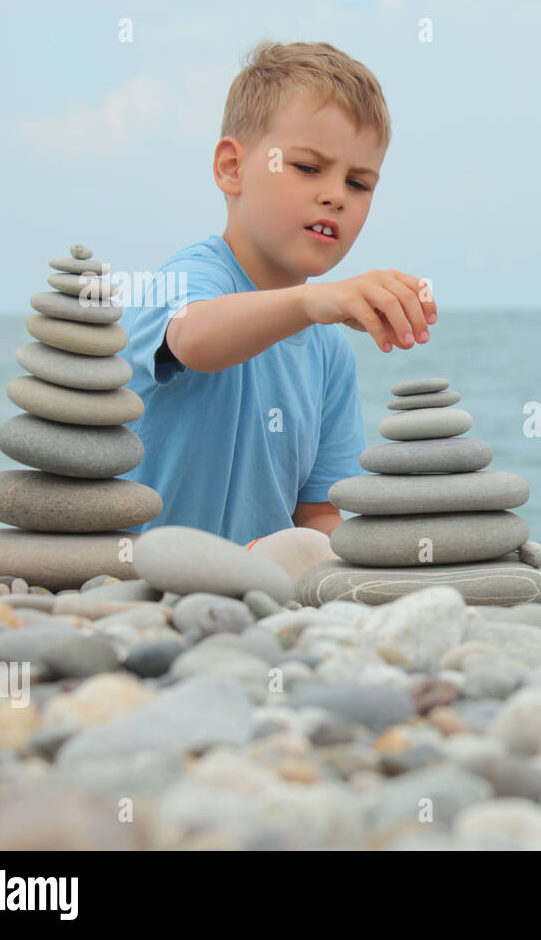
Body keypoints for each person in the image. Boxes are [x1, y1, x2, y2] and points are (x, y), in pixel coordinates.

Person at [118, 41, 437, 581]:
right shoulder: (190, 278)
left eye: (358, 183)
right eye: (308, 167)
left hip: (261, 597)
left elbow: (316, 513)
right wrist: (314, 300)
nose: (335, 195)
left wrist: (376, 564)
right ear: (232, 167)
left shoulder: (329, 349)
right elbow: (195, 340)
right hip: (141, 585)